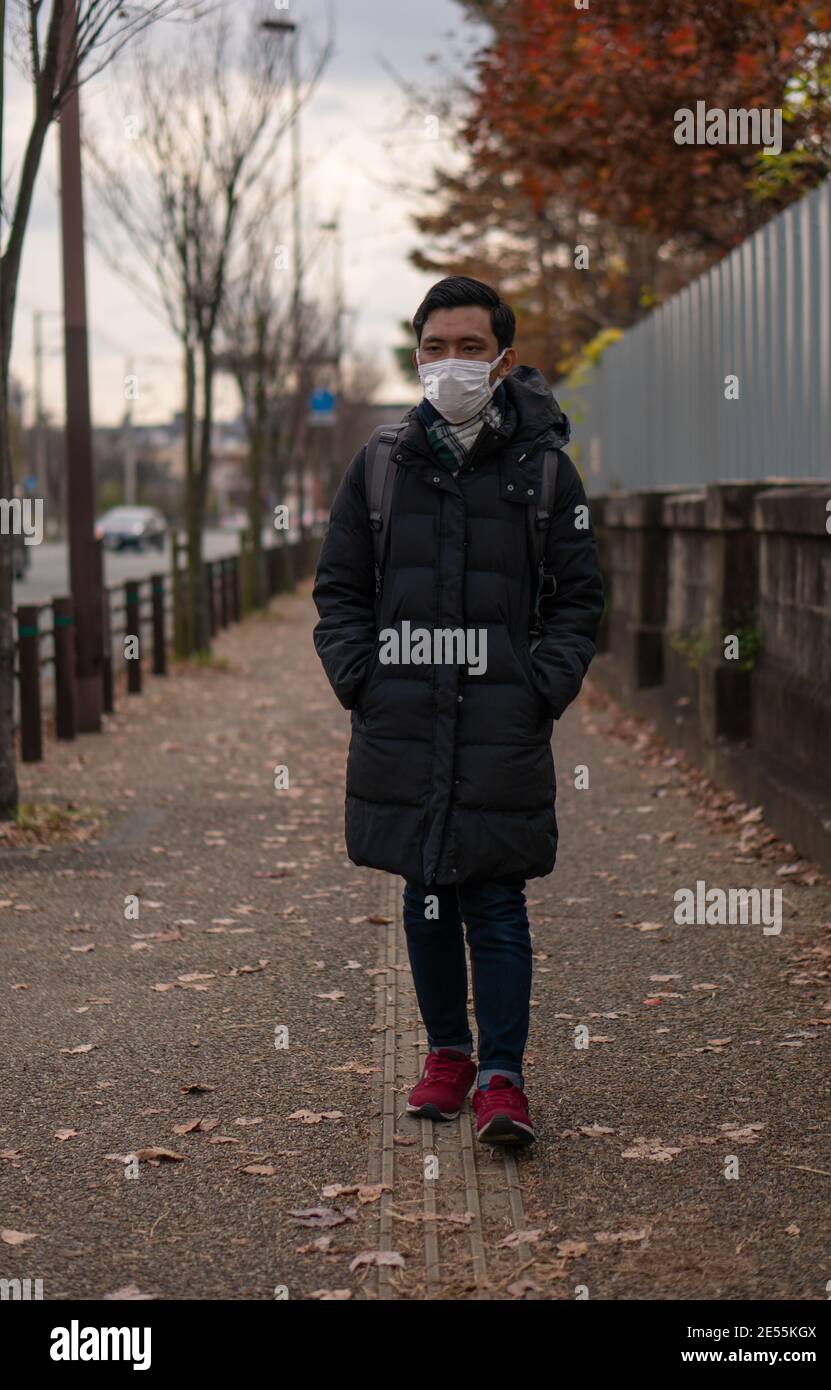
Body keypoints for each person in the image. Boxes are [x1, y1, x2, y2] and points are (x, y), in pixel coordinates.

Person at [313, 276, 604, 1145]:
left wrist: (539, 686)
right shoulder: (381, 461)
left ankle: (504, 1078)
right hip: (402, 711)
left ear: (504, 359)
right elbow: (340, 591)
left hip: (499, 717)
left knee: (497, 896)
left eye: (470, 349)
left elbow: (580, 599)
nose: (450, 364)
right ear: (415, 356)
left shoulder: (545, 468)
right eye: (434, 348)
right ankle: (448, 1056)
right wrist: (361, 677)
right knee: (426, 890)